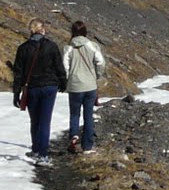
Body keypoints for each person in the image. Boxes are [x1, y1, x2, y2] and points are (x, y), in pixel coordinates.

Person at [11, 18, 66, 164]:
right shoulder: (52, 46)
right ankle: (43, 154)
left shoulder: (23, 48)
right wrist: (63, 82)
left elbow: (18, 73)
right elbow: (59, 66)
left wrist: (16, 92)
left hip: (32, 88)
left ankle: (36, 149)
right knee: (45, 121)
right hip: (49, 87)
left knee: (34, 120)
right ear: (42, 29)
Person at [63, 19, 106, 154]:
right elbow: (100, 62)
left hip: (75, 86)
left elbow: (65, 66)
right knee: (88, 115)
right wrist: (97, 75)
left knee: (74, 114)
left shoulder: (68, 47)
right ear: (85, 31)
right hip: (90, 85)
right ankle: (87, 146)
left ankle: (74, 136)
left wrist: (69, 78)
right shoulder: (92, 45)